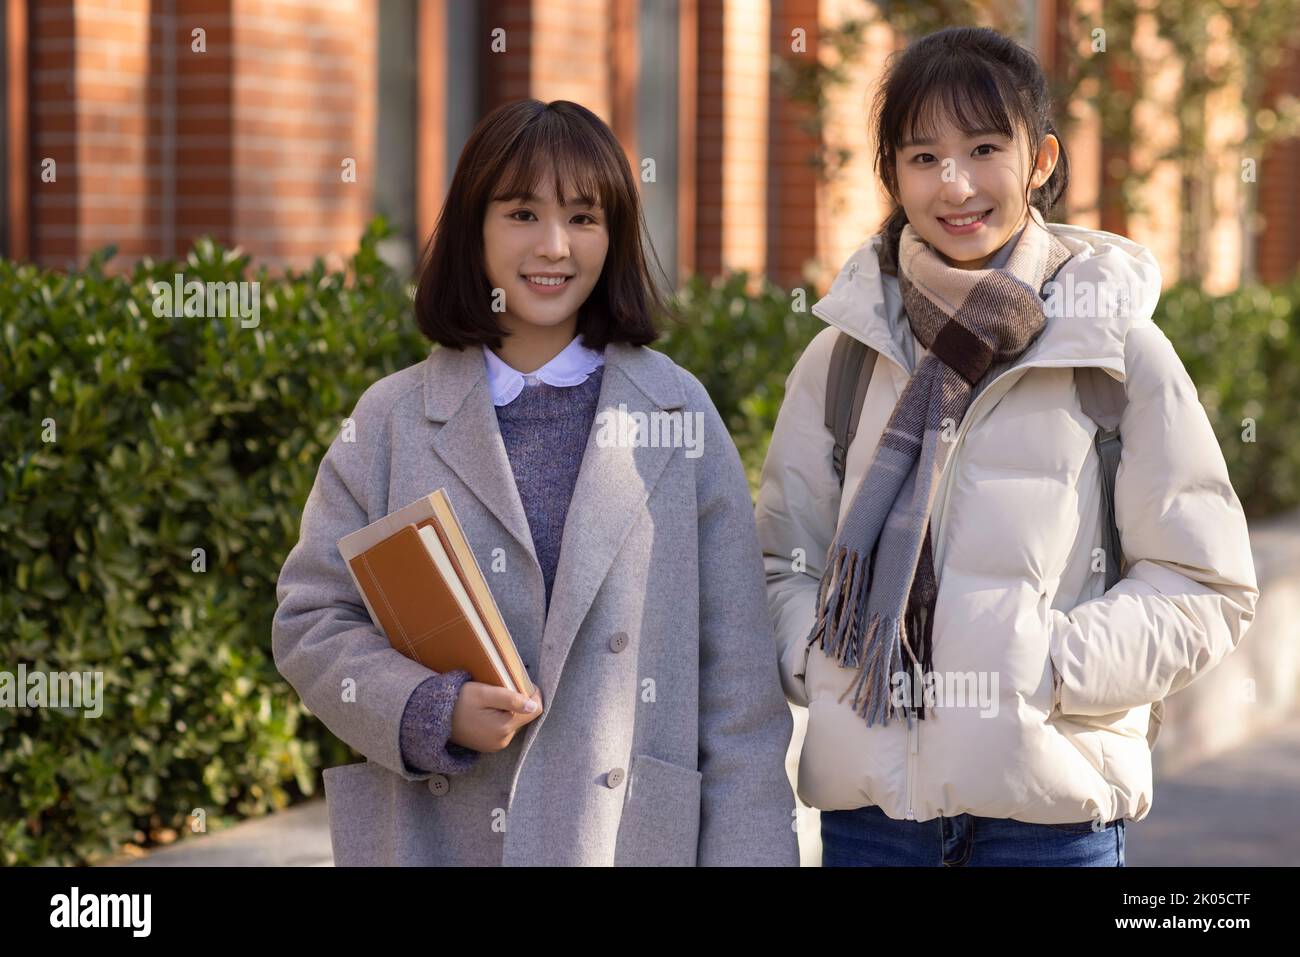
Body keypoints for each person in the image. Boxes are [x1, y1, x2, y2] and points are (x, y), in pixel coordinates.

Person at [755, 26, 1258, 866]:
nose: (955, 183)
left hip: (1050, 826)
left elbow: (1206, 581)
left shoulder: (1114, 350)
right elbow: (779, 562)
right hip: (871, 823)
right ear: (891, 175)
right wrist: (829, 664)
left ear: (1039, 160)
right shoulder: (845, 353)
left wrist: (1049, 666)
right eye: (922, 156)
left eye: (985, 147)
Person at [273, 99, 798, 867]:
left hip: (627, 840)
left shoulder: (678, 412)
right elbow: (310, 621)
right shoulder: (391, 418)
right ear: (474, 229)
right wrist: (431, 708)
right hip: (439, 837)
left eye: (584, 216)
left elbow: (739, 693)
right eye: (522, 212)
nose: (555, 246)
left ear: (613, 234)